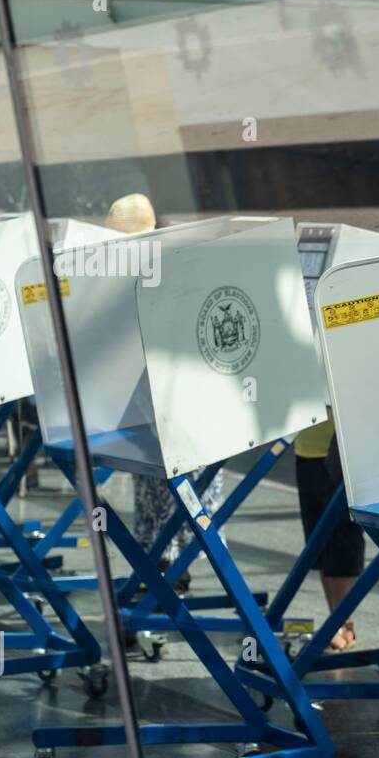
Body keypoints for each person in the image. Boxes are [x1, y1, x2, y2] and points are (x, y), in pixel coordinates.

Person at [104, 194, 224, 591]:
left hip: (176, 406)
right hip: (157, 407)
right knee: (159, 492)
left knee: (178, 495)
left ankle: (170, 573)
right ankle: (166, 572)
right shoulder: (150, 270)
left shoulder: (164, 271)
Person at [293, 415, 361, 651]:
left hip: (342, 447)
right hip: (307, 445)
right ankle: (336, 618)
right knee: (319, 541)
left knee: (342, 536)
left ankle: (343, 622)